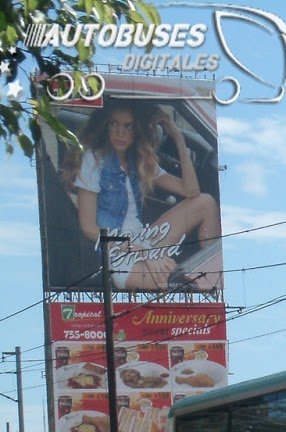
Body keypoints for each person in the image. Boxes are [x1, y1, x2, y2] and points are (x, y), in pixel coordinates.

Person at [71, 101, 221, 292]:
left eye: (129, 126)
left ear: (137, 131)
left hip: (144, 239)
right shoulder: (93, 159)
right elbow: (89, 228)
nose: (120, 133)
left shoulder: (140, 160)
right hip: (118, 252)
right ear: (105, 126)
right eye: (114, 124)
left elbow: (191, 192)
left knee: (205, 203)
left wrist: (178, 138)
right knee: (181, 282)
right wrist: (142, 252)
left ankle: (213, 267)